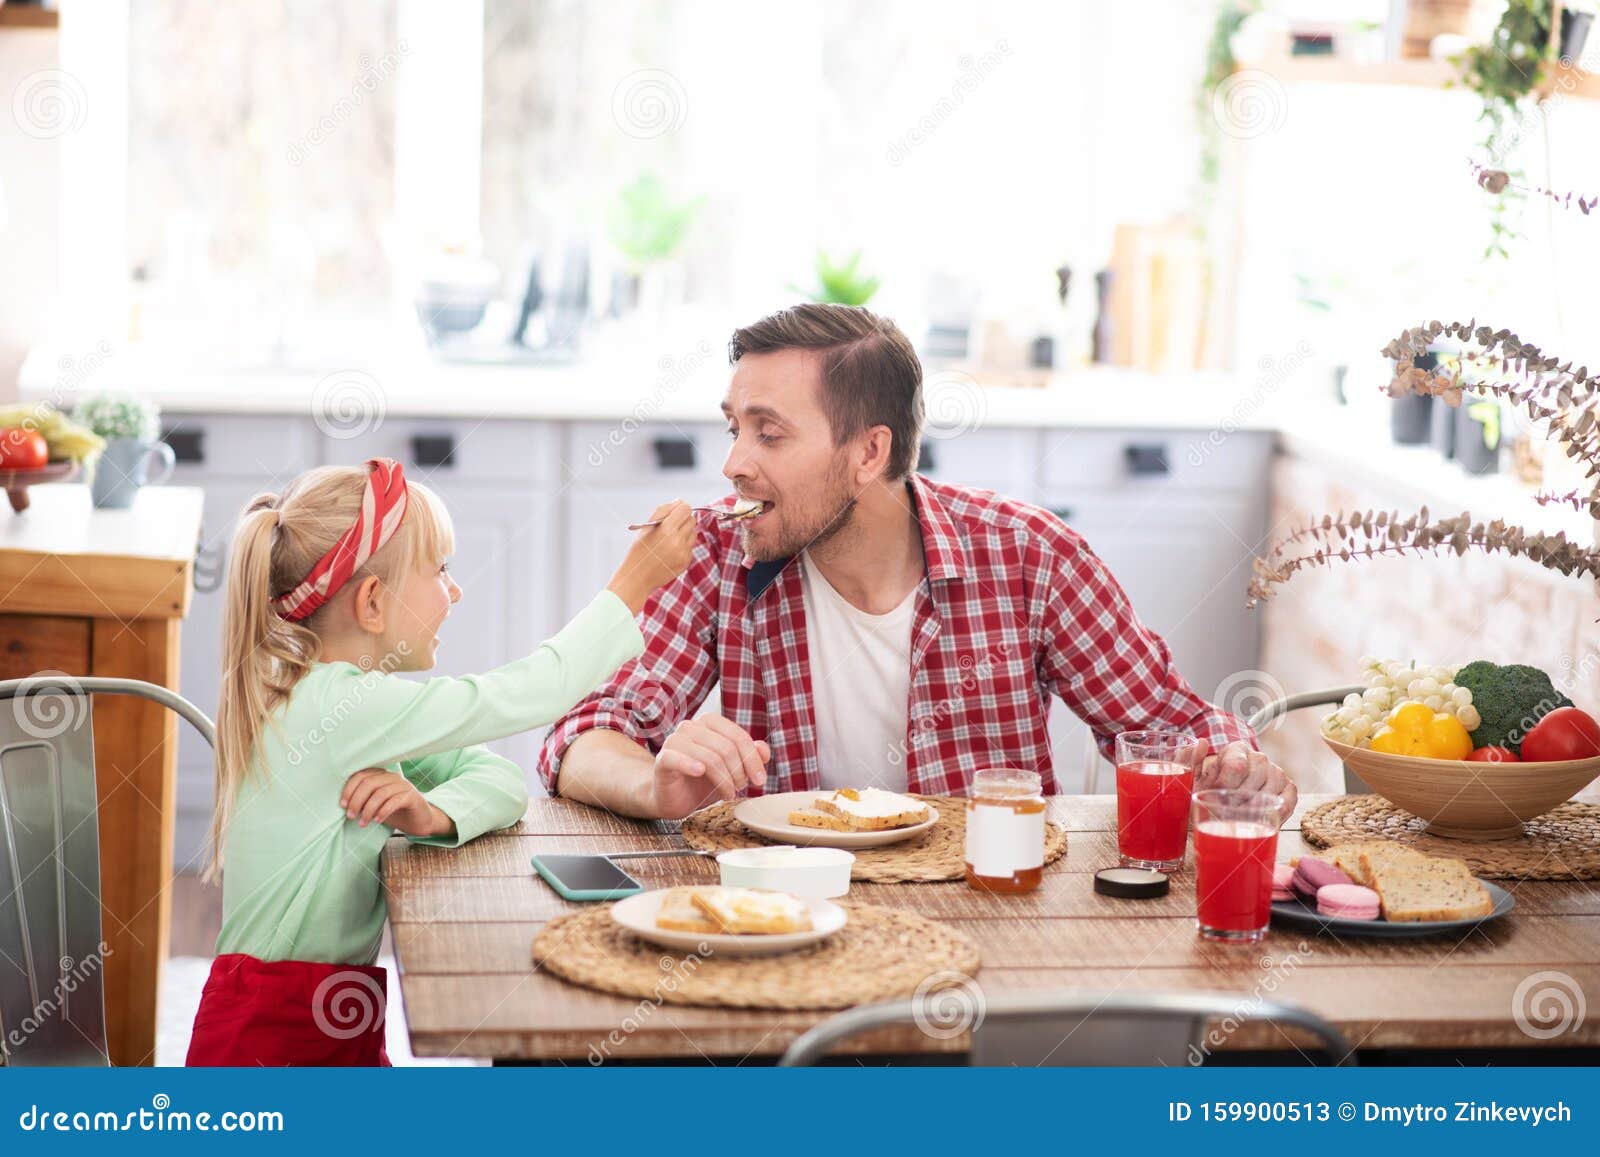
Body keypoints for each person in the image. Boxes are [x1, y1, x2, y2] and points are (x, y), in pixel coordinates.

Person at [539, 304, 1298, 821]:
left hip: (989, 923)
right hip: (783, 926)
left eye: (769, 434)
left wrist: (1234, 767)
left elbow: (1171, 726)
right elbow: (581, 735)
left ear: (869, 451)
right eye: (734, 427)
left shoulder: (1031, 556)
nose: (733, 462)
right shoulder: (714, 552)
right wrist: (657, 781)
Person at [186, 457, 693, 1066]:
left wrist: (434, 814)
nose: (454, 590)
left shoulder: (326, 699)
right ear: (372, 603)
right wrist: (634, 584)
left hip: (322, 1018)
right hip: (272, 1039)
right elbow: (530, 692)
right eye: (439, 570)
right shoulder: (341, 707)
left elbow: (499, 779)